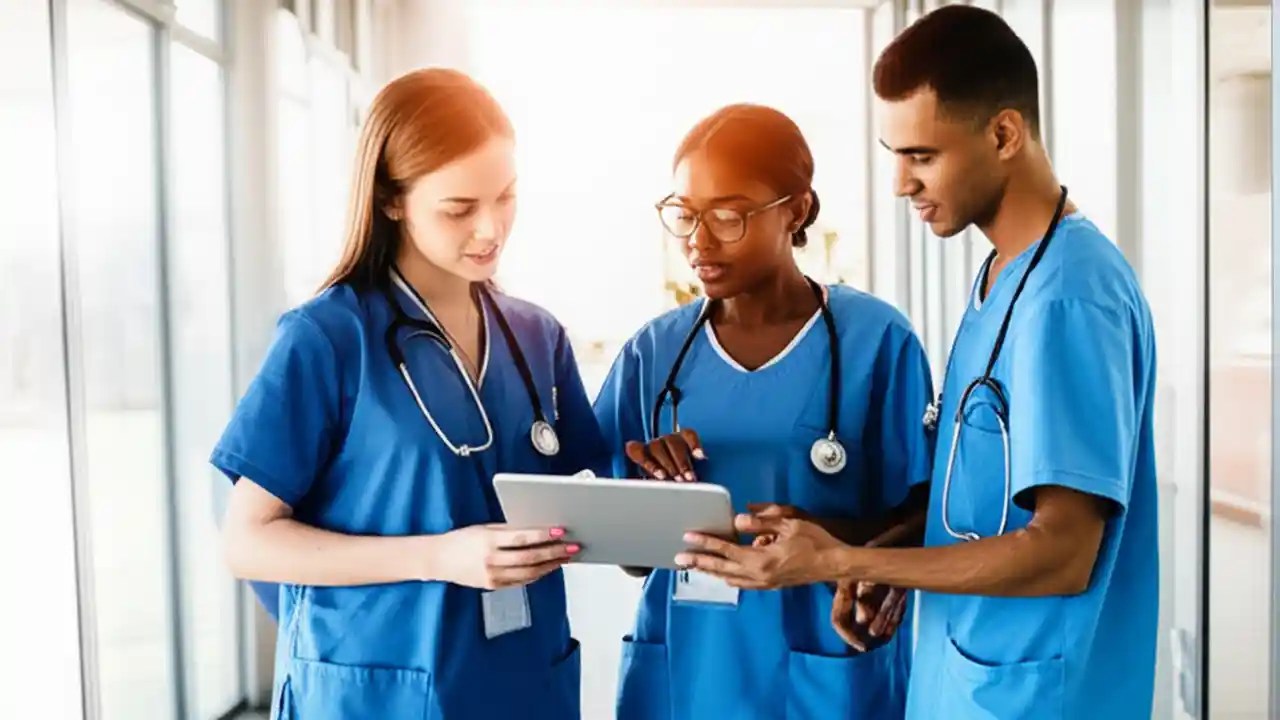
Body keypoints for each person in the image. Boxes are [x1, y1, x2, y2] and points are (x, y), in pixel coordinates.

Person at [674, 7, 1159, 720]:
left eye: (921, 156)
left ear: (1003, 134)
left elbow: (1063, 551)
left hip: (1035, 700)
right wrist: (894, 552)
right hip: (965, 686)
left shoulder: (1071, 297)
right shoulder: (1003, 277)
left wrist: (843, 561)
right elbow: (977, 515)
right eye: (893, 154)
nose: (901, 183)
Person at [212, 68, 607, 719]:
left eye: (506, 197)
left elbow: (578, 497)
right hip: (379, 684)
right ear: (392, 200)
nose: (491, 229)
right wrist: (438, 557)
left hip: (522, 676)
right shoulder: (328, 338)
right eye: (459, 208)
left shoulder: (538, 337)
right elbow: (246, 544)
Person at [593, 103, 935, 720]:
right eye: (686, 214)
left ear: (797, 210)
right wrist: (652, 493)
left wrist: (826, 541)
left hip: (822, 663)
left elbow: (928, 516)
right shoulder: (655, 352)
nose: (699, 240)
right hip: (687, 670)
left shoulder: (876, 341)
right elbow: (631, 559)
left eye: (727, 216)